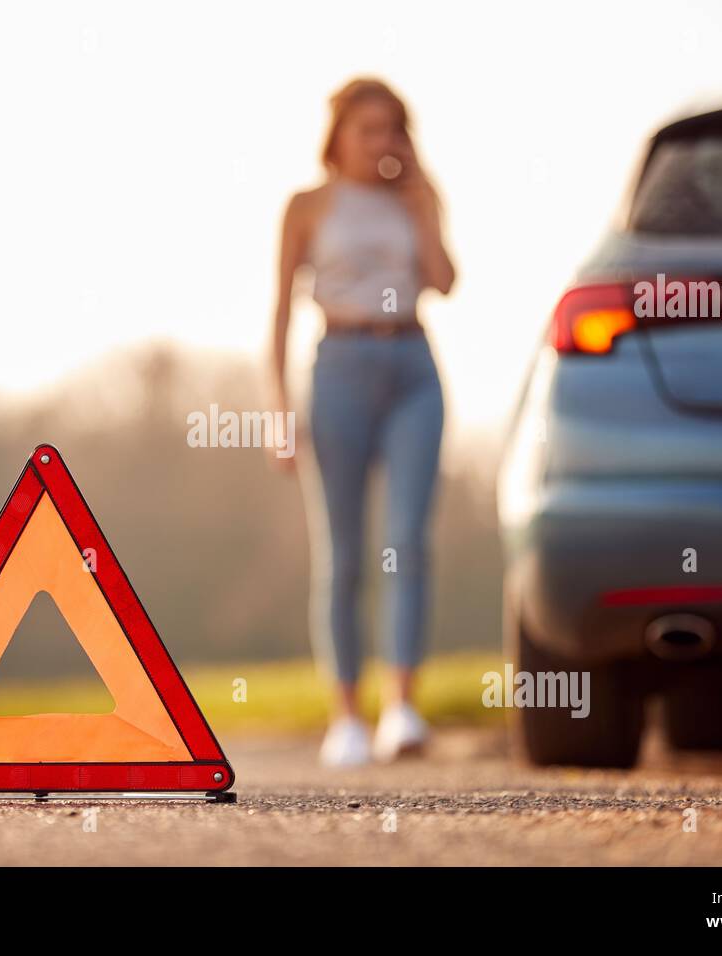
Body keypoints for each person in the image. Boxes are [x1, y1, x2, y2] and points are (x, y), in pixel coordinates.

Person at [270, 77, 456, 766]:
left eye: (392, 130)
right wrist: (278, 411)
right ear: (339, 134)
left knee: (408, 541)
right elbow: (281, 310)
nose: (381, 142)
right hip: (338, 369)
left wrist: (423, 204)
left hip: (412, 364)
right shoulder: (307, 206)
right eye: (368, 129)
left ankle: (401, 709)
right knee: (343, 553)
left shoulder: (415, 196)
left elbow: (444, 280)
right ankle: (346, 717)